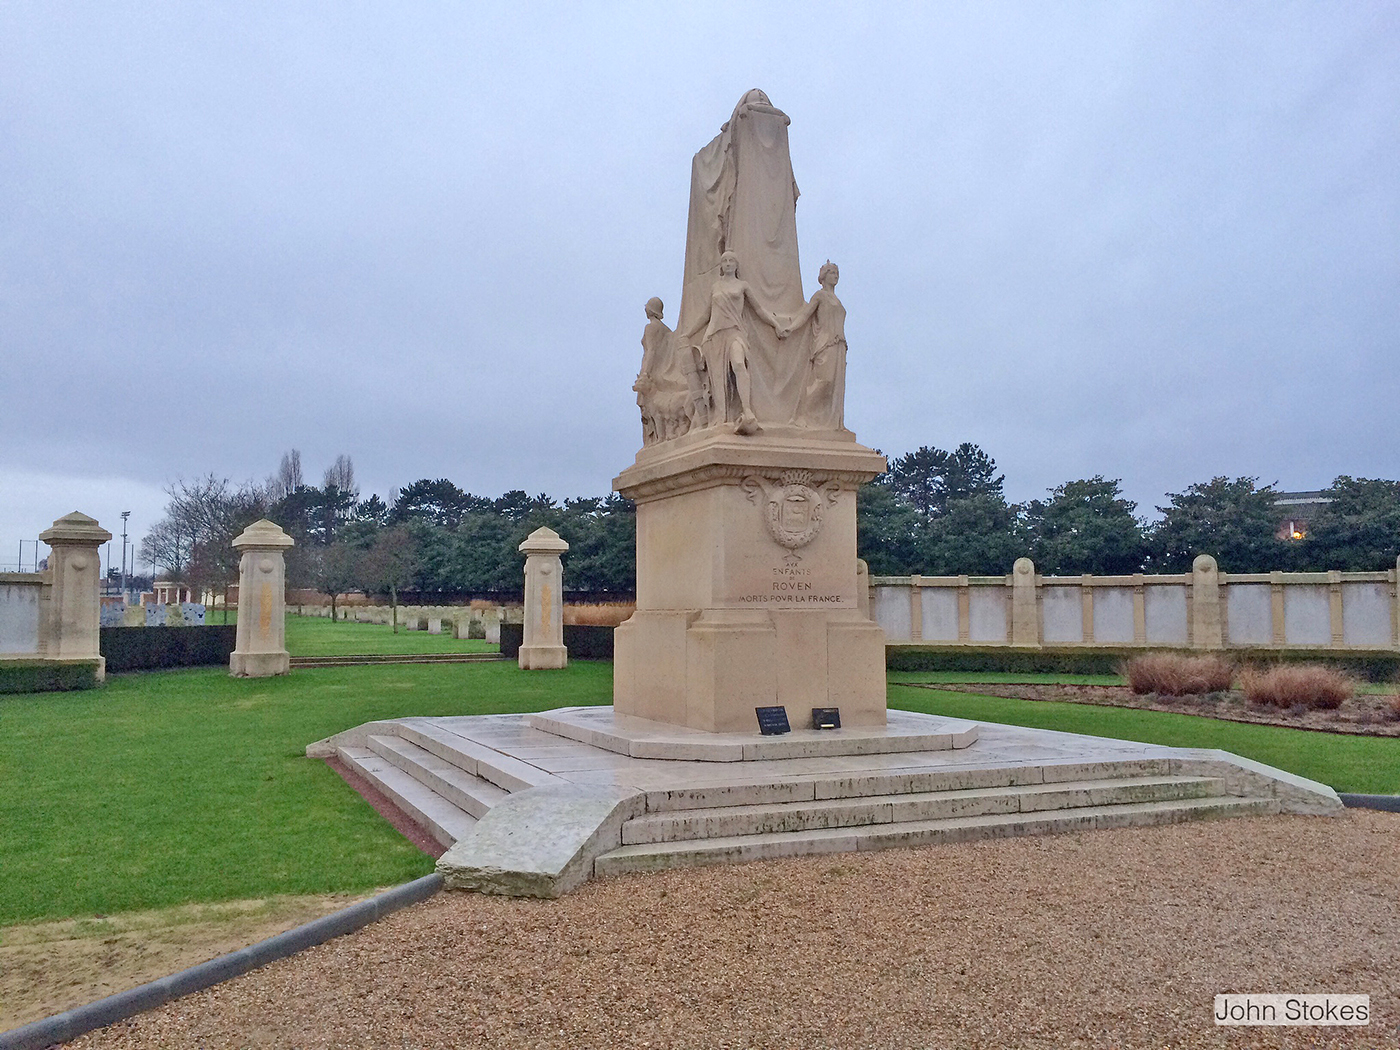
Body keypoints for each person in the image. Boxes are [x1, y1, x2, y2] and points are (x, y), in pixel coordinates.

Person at [678, 251, 784, 435]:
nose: (727, 263)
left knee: (738, 364)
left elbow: (759, 309)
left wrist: (776, 324)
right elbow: (706, 315)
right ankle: (721, 416)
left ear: (736, 265)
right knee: (717, 378)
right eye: (724, 261)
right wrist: (688, 333)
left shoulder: (742, 286)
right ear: (721, 266)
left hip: (735, 332)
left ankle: (747, 409)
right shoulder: (715, 287)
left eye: (731, 260)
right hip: (714, 336)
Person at [779, 261, 848, 429]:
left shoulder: (837, 300)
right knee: (823, 380)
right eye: (831, 272)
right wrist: (790, 328)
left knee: (835, 387)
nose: (835, 275)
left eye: (836, 272)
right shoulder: (820, 296)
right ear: (823, 277)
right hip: (825, 343)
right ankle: (800, 415)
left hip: (839, 344)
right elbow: (805, 315)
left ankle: (832, 423)